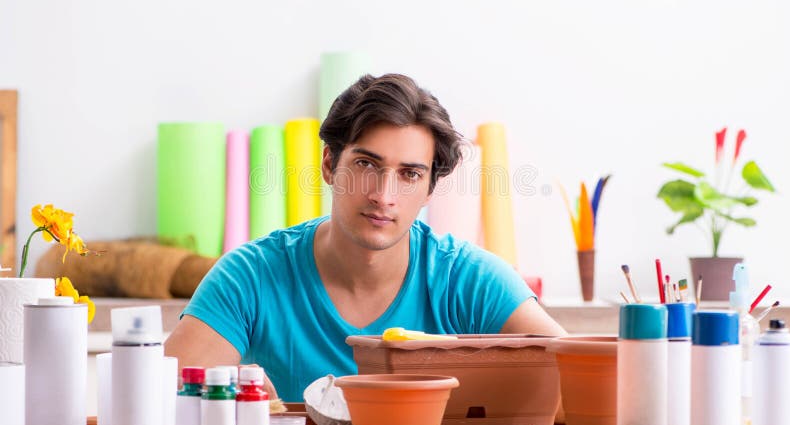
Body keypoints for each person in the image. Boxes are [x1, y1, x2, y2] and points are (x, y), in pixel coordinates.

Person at [165, 74, 566, 401]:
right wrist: (218, 394)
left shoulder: (471, 280)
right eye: (365, 164)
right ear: (328, 165)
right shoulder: (250, 276)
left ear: (429, 190)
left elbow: (581, 384)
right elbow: (159, 394)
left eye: (409, 175)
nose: (383, 195)